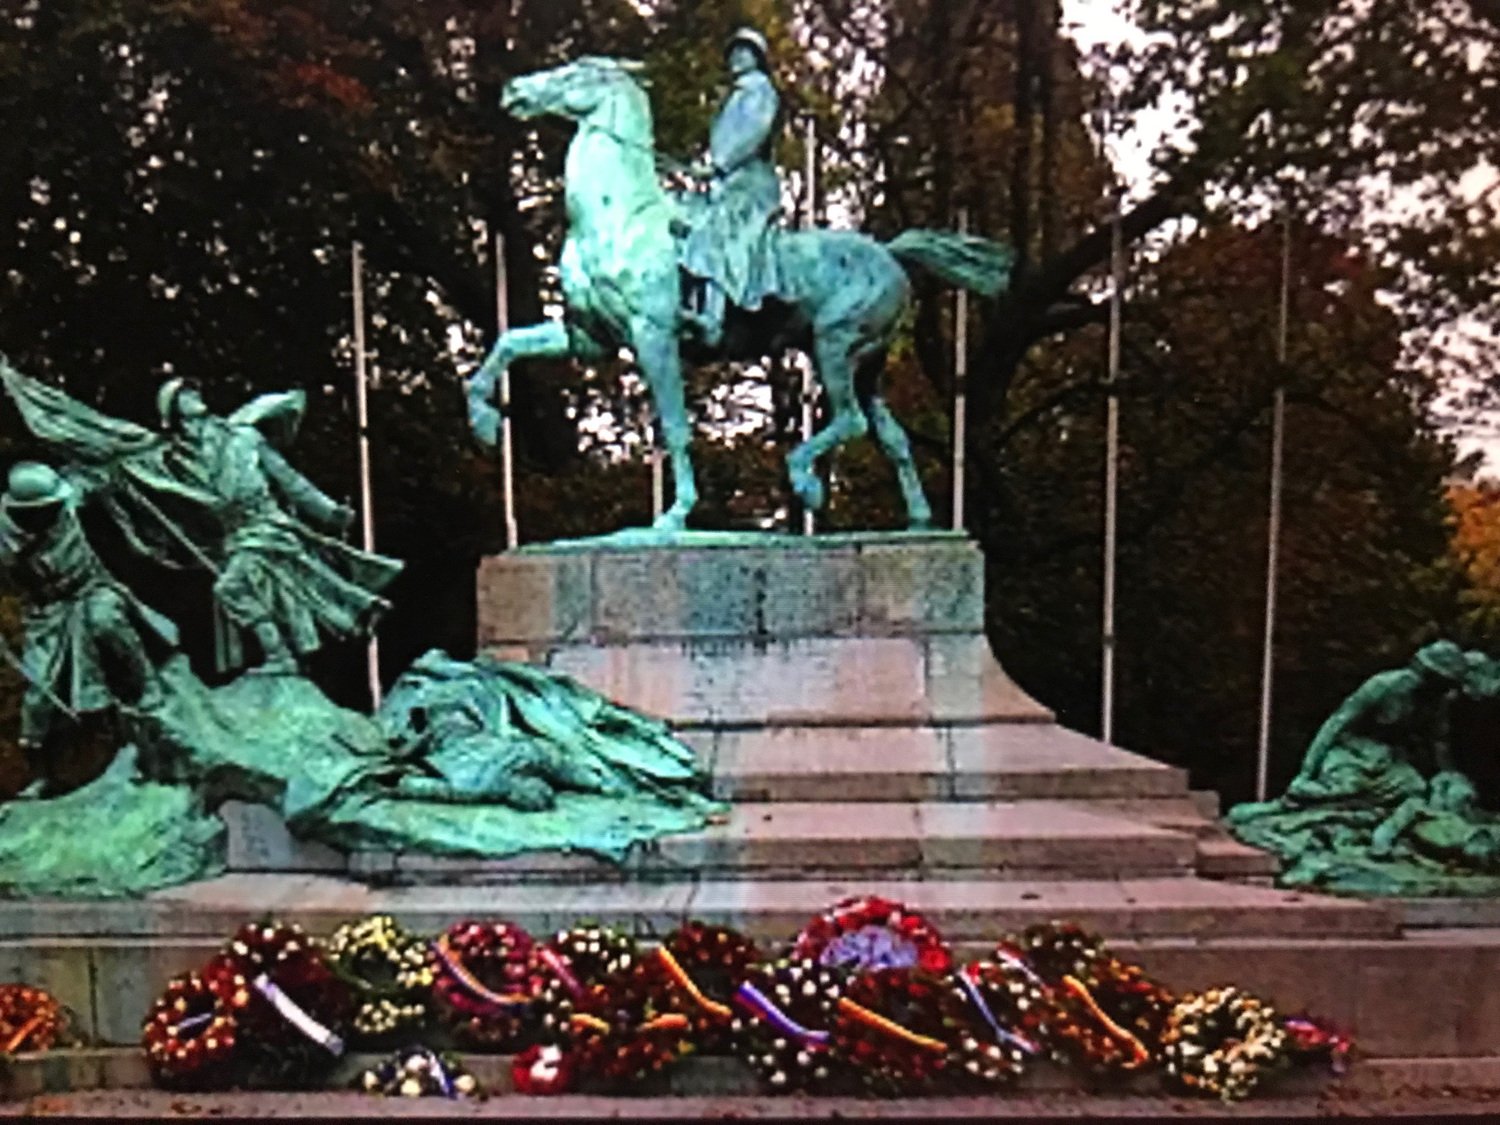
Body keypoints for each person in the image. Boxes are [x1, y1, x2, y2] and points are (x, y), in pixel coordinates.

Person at [156, 378, 402, 674]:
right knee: (275, 597)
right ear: (174, 412)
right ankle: (286, 655)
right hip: (234, 538)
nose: (194, 394)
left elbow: (289, 480)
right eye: (183, 394)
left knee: (231, 588)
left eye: (194, 389)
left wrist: (328, 512)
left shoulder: (243, 437)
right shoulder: (179, 460)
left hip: (267, 526)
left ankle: (280, 655)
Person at [0, 461, 178, 790]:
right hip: (47, 614)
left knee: (107, 623)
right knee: (39, 696)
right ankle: (39, 773)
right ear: (27, 511)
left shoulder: (69, 500)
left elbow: (103, 471)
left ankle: (149, 688)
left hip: (91, 589)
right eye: (47, 508)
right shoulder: (4, 539)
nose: (56, 511)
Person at [679, 26, 785, 347]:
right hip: (726, 183)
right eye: (734, 53)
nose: (736, 58)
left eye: (744, 52)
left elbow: (754, 134)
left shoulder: (760, 91)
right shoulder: (736, 95)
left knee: (719, 228)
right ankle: (687, 302)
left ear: (758, 59)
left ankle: (712, 317)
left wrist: (718, 166)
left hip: (751, 184)